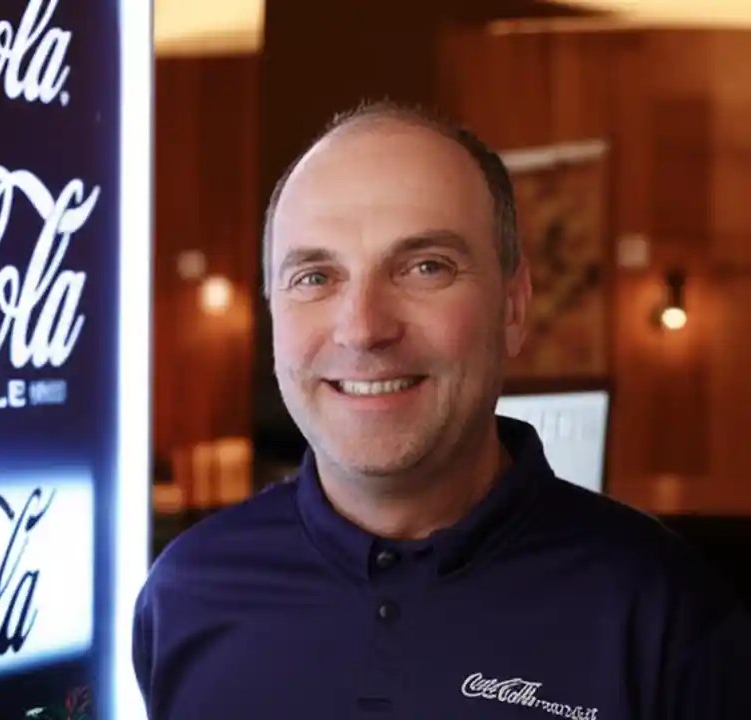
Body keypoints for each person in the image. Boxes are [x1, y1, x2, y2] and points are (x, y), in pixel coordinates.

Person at [131, 100, 751, 719]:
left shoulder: (667, 617)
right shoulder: (185, 595)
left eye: (426, 267)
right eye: (315, 277)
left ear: (513, 308)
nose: (363, 328)